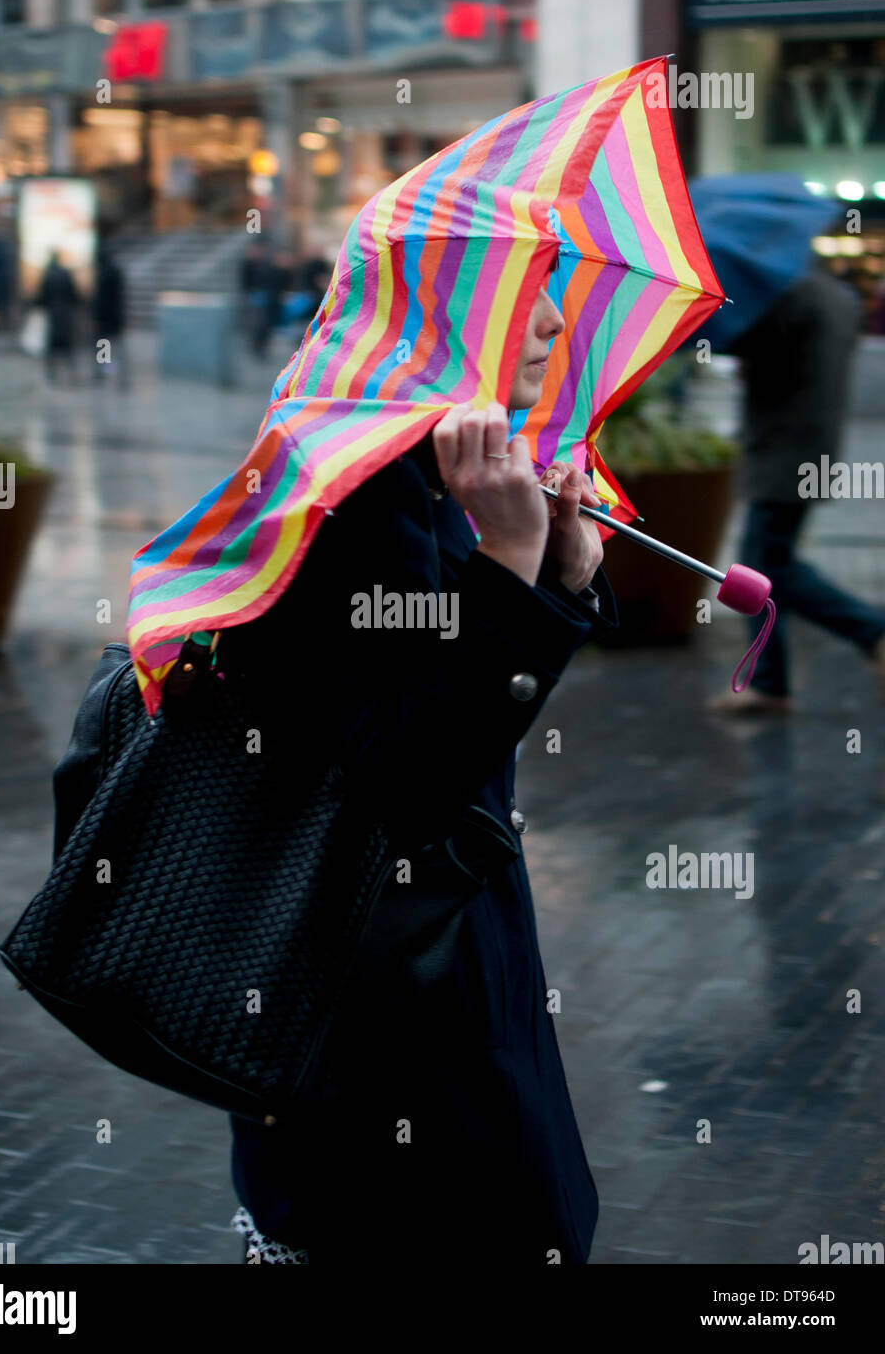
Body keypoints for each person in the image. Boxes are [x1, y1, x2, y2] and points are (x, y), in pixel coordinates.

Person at [224, 280, 617, 1266]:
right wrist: (513, 560)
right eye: (531, 293)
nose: (556, 324)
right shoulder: (361, 485)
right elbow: (407, 778)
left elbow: (465, 733)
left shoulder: (433, 467)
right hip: (382, 1012)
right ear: (450, 305)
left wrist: (555, 585)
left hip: (438, 967)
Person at [708, 266, 885, 712]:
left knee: (761, 571)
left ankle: (869, 631)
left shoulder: (788, 297)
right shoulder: (835, 296)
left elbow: (750, 347)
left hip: (785, 450)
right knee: (769, 563)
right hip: (808, 446)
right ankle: (772, 679)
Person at [36, 250, 79, 385]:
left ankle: (52, 374)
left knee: (52, 346)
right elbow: (73, 293)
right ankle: (70, 373)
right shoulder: (65, 273)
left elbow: (42, 296)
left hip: (53, 313)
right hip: (65, 313)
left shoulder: (47, 274)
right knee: (67, 346)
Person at [92, 246, 129, 388]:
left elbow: (100, 299)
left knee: (105, 347)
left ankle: (104, 374)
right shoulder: (116, 272)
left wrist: (96, 317)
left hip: (105, 317)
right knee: (118, 348)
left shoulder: (102, 274)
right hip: (116, 316)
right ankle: (121, 377)